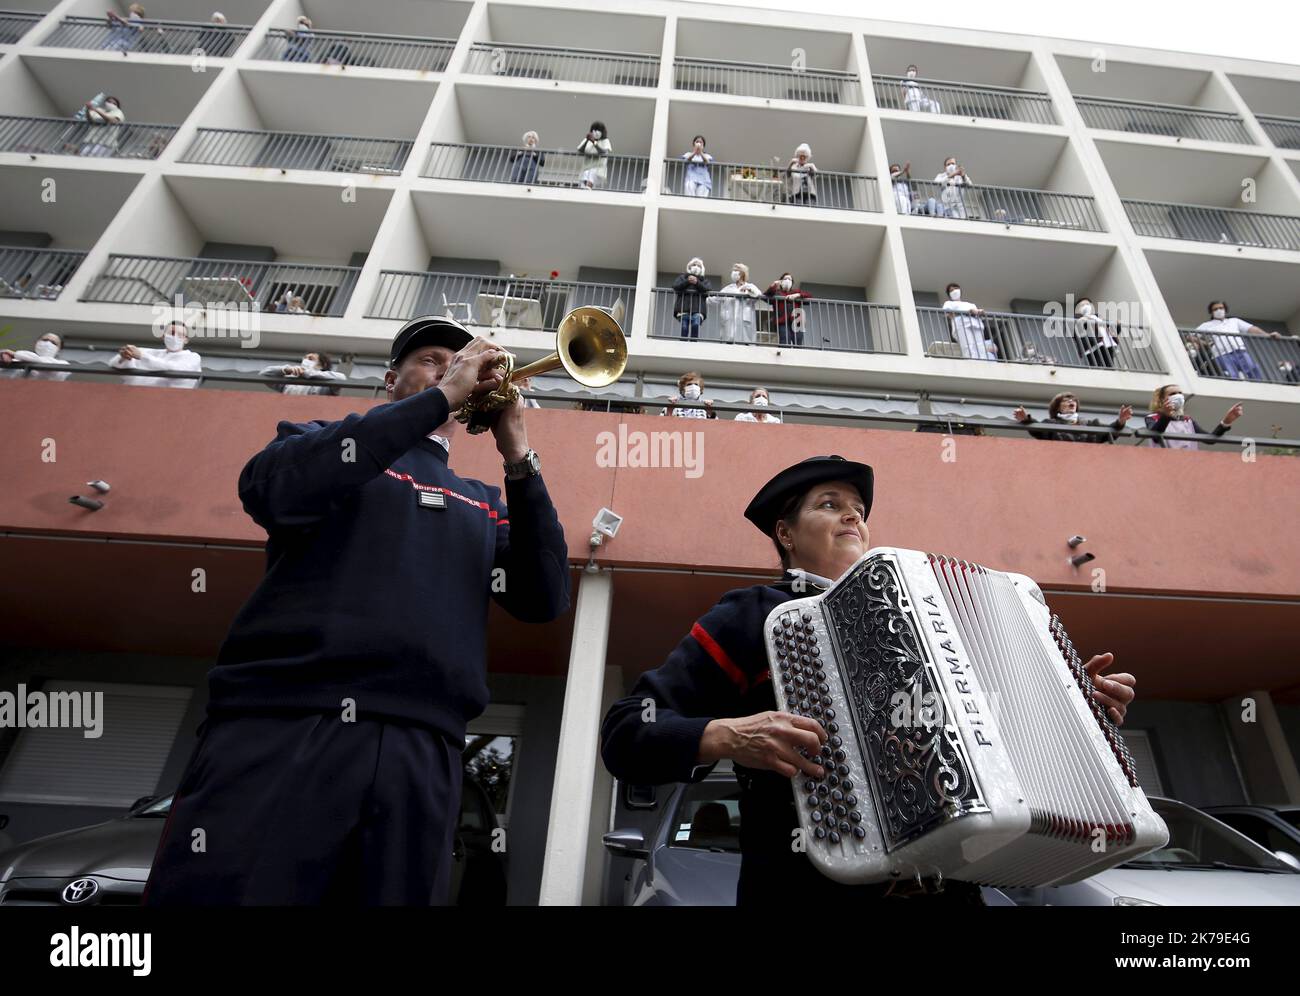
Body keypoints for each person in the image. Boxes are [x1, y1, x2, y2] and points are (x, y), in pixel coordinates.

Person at [142, 316, 570, 906]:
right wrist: (444, 396)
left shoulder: (482, 502)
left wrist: (517, 451)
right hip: (286, 722)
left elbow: (544, 596)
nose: (452, 366)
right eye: (431, 359)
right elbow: (268, 490)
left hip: (425, 747)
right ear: (389, 381)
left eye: (462, 359)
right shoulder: (323, 440)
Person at [600, 455, 1135, 906]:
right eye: (830, 505)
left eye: (858, 511)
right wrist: (727, 736)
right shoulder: (751, 615)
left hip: (949, 893)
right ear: (785, 533)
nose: (852, 517)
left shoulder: (934, 625)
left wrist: (1070, 711)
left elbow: (994, 757)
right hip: (805, 893)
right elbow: (626, 733)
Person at [1194, 300, 1284, 381]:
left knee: (1253, 370)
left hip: (1240, 351)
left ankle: (1260, 390)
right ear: (1211, 312)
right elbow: (1190, 336)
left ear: (1225, 309)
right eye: (1215, 309)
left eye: (1221, 308)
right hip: (1221, 354)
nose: (1219, 310)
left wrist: (1267, 335)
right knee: (1232, 376)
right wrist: (1205, 343)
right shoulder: (1207, 325)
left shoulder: (1234, 321)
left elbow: (1251, 329)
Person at [1143, 384, 1242, 451]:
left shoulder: (1187, 420)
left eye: (1180, 393)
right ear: (1162, 400)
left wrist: (1226, 421)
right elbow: (1155, 436)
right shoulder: (1152, 418)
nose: (1178, 396)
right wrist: (1166, 415)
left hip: (1188, 463)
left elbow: (1209, 440)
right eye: (1172, 394)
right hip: (1164, 462)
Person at [108, 321, 202, 387]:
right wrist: (124, 357)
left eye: (180, 335)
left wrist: (142, 356)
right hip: (136, 398)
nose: (175, 337)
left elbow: (178, 369)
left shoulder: (192, 357)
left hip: (169, 402)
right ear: (163, 336)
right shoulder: (151, 353)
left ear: (186, 340)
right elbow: (114, 363)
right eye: (172, 333)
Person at [1012, 393, 1132, 443]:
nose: (1071, 401)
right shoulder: (1050, 423)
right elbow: (1037, 429)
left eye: (1073, 400)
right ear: (1058, 407)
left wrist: (1121, 421)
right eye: (1066, 400)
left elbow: (1110, 432)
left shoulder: (1091, 423)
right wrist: (1026, 419)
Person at [941, 283, 996, 360]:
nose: (955, 291)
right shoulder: (949, 303)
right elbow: (947, 314)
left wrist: (980, 312)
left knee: (980, 346)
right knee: (968, 346)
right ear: (949, 294)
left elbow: (977, 313)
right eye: (951, 290)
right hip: (961, 325)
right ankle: (971, 362)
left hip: (975, 323)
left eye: (956, 288)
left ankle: (983, 362)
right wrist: (967, 312)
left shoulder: (970, 304)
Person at [713, 262, 762, 344]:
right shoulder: (728, 288)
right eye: (733, 271)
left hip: (745, 321)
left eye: (736, 270)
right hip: (729, 322)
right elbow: (715, 298)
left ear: (742, 273)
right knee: (729, 339)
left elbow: (758, 294)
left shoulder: (750, 286)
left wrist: (749, 290)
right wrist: (704, 295)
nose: (733, 273)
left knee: (745, 341)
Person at [259, 351, 346, 396]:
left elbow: (342, 378)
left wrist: (308, 373)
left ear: (323, 365)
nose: (306, 360)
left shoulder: (326, 385)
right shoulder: (290, 380)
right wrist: (286, 369)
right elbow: (263, 374)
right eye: (305, 358)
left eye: (311, 358)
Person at [1071, 296, 1120, 369]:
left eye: (1087, 304)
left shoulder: (1098, 317)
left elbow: (1113, 329)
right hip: (1092, 347)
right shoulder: (1077, 319)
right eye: (1082, 305)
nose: (1086, 306)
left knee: (1109, 367)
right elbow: (1076, 332)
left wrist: (1118, 325)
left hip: (1107, 344)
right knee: (1097, 367)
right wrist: (1086, 318)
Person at [0, 332, 72, 381]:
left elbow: (41, 361)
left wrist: (15, 354)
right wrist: (3, 357)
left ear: (58, 350)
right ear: (36, 343)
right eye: (45, 340)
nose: (48, 343)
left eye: (53, 343)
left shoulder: (63, 364)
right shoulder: (20, 359)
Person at [765, 272, 812, 347]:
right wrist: (774, 285)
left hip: (797, 320)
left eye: (789, 279)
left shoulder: (796, 292)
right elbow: (766, 296)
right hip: (782, 320)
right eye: (785, 279)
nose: (787, 280)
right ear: (781, 282)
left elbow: (809, 296)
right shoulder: (777, 293)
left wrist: (798, 295)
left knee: (798, 341)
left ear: (792, 283)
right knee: (784, 340)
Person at [672, 257, 711, 340]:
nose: (696, 267)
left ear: (702, 268)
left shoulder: (704, 280)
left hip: (698, 309)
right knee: (684, 327)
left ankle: (694, 343)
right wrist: (687, 281)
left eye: (698, 265)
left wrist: (697, 282)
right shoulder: (683, 278)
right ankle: (683, 344)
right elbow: (675, 287)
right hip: (683, 308)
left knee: (695, 325)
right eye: (694, 265)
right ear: (689, 267)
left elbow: (707, 290)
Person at [577, 121, 612, 190]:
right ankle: (585, 190)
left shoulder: (605, 141)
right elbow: (580, 150)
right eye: (594, 130)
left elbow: (603, 152)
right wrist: (587, 140)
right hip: (586, 167)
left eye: (598, 130)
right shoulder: (587, 140)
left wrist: (594, 142)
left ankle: (588, 187)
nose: (595, 132)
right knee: (586, 174)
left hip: (598, 168)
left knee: (591, 173)